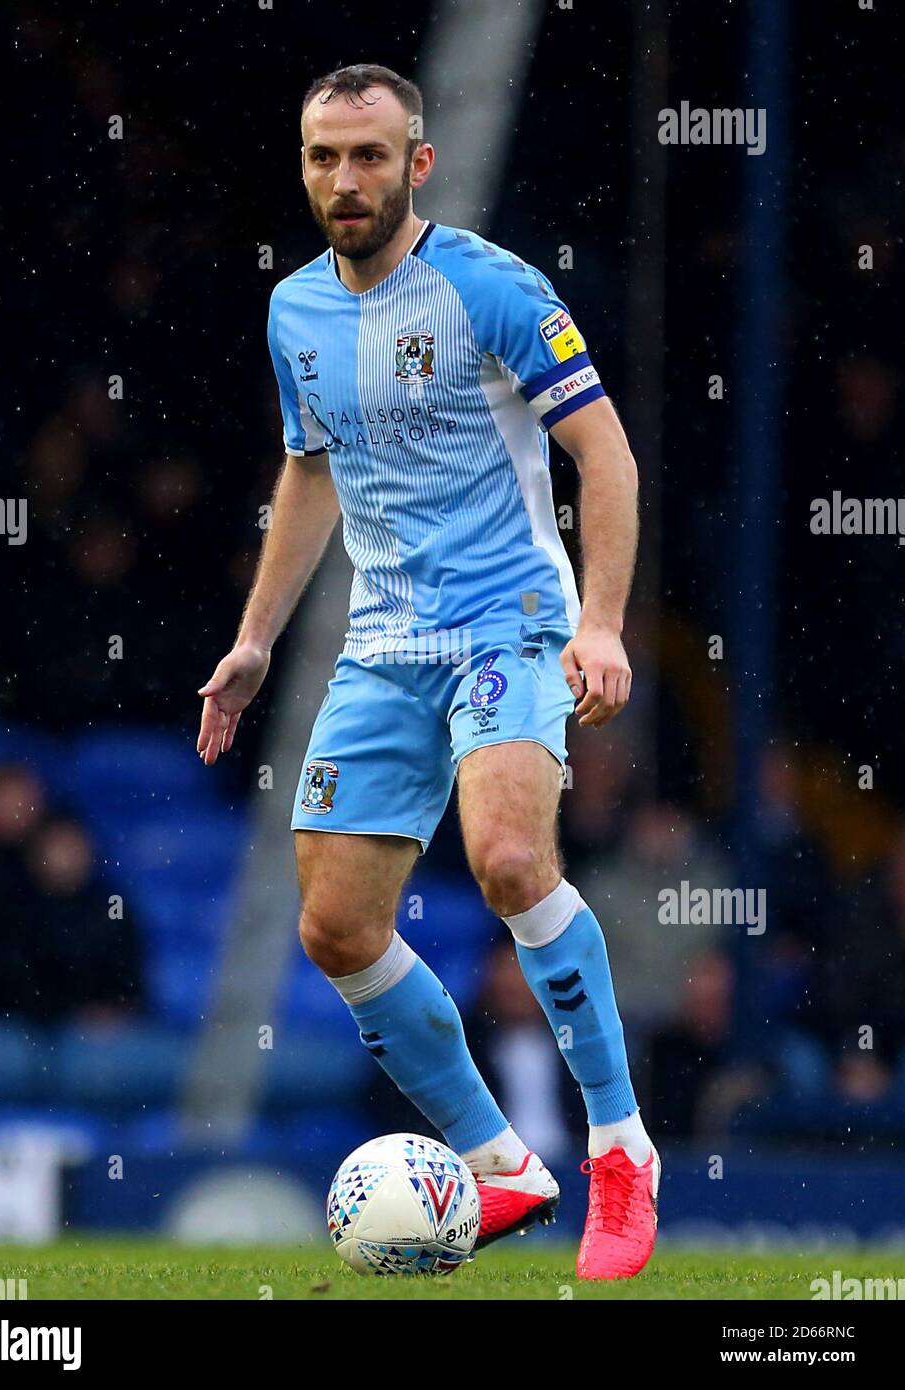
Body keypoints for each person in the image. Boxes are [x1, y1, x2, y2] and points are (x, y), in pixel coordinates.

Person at [196, 64, 657, 1279]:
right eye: (321, 158)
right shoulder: (294, 311)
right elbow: (309, 471)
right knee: (337, 927)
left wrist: (597, 623)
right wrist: (255, 639)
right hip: (383, 644)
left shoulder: (494, 288)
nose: (343, 181)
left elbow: (604, 457)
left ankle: (620, 1148)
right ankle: (503, 1166)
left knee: (510, 858)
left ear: (418, 163)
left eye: (367, 156)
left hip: (508, 623)